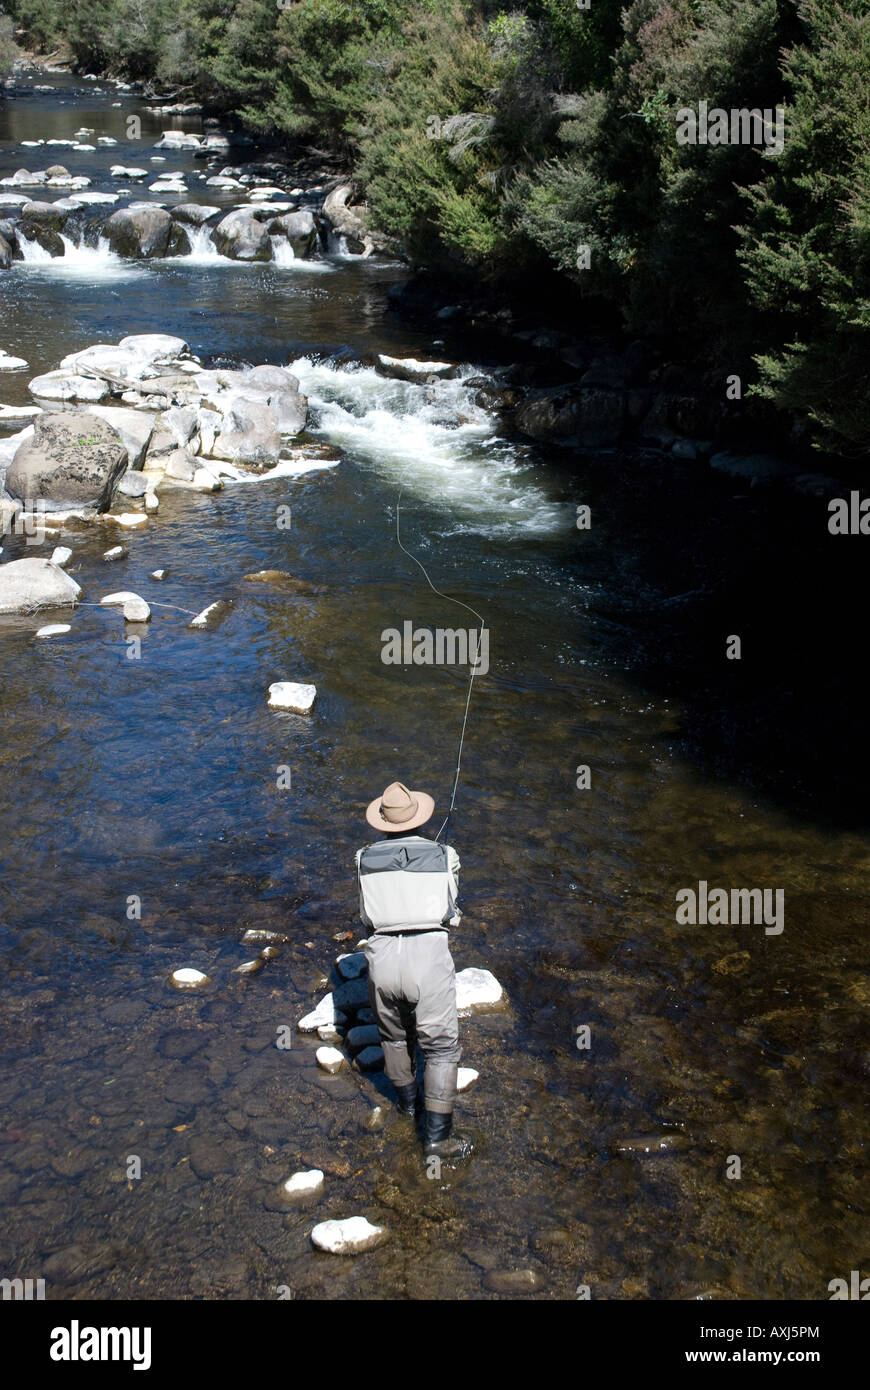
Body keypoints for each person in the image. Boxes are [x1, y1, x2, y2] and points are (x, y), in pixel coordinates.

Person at [356, 781, 474, 1160]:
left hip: (383, 959)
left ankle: (407, 1107)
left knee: (393, 1038)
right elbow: (450, 911)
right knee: (440, 1050)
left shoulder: (363, 857)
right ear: (420, 818)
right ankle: (437, 1141)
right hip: (428, 959)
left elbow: (365, 917)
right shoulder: (446, 854)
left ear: (382, 822)